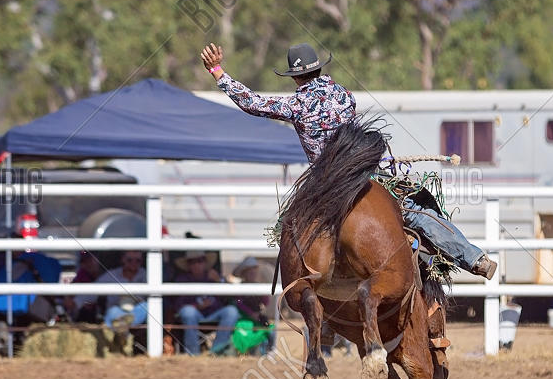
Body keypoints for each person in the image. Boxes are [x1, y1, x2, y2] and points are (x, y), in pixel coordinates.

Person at [199, 41, 497, 281]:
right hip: (368, 170)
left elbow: (253, 103)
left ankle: (306, 286)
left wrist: (218, 72)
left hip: (330, 180)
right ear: (318, 69)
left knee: (291, 227)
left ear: (295, 77)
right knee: (413, 211)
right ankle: (473, 259)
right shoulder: (344, 95)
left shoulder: (297, 103)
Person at [173, 250, 240, 355]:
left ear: (205, 263)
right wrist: (198, 306)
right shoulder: (182, 279)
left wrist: (219, 280)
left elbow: (232, 297)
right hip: (193, 316)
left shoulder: (214, 277)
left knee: (231, 311)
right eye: (192, 262)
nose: (197, 265)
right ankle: (193, 354)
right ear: (188, 265)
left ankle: (217, 352)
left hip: (215, 314)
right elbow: (178, 305)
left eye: (200, 261)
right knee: (188, 312)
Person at [96, 250, 148, 346]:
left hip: (137, 312)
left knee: (146, 306)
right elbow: (92, 290)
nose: (134, 263)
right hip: (117, 310)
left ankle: (122, 331)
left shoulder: (145, 275)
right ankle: (122, 333)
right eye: (129, 260)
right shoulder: (111, 275)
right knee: (112, 311)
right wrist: (75, 302)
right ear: (123, 260)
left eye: (138, 261)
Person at [63, 250, 105, 323]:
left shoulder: (106, 275)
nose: (88, 264)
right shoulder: (82, 274)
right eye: (84, 261)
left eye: (90, 260)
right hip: (84, 312)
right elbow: (70, 297)